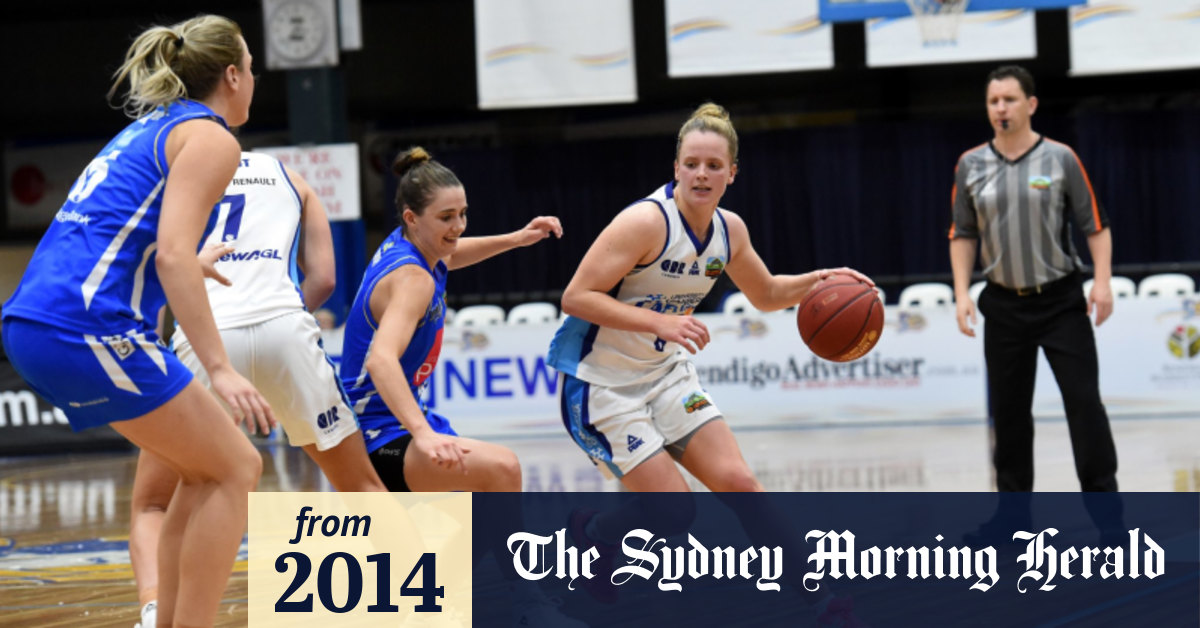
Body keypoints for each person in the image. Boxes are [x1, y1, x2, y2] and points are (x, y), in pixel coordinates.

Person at [546, 103, 871, 626]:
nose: (702, 173)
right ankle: (592, 532)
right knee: (676, 513)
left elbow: (765, 294)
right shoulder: (644, 222)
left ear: (732, 174)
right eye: (692, 163)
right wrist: (659, 323)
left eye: (714, 165)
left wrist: (822, 280)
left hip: (665, 374)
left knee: (740, 483)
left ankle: (824, 601)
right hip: (601, 383)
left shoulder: (729, 231)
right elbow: (576, 297)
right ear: (676, 167)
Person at [0, 15, 273, 628]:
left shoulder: (151, 128)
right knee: (238, 467)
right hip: (80, 326)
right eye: (252, 67)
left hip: (38, 323)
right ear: (232, 75)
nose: (254, 79)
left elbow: (133, 235)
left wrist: (179, 260)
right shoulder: (212, 138)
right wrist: (222, 370)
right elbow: (172, 252)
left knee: (203, 475)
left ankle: (164, 619)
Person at [127, 152, 392, 627]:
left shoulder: (175, 177)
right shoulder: (293, 178)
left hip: (207, 337)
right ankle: (431, 604)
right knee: (362, 485)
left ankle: (154, 610)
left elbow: (160, 269)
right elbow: (326, 279)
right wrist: (279, 325)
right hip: (284, 330)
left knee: (155, 501)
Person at [339, 147, 581, 626]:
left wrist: (516, 239)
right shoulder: (411, 278)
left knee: (490, 510)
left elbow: (452, 253)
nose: (459, 226)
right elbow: (381, 361)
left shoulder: (414, 249)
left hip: (390, 425)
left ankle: (425, 596)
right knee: (502, 472)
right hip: (374, 437)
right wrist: (424, 435)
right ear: (412, 217)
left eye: (463, 213)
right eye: (446, 217)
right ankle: (527, 605)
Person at [949, 64, 1119, 496]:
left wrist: (1101, 283)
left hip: (1061, 301)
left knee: (1084, 407)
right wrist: (961, 294)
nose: (1000, 108)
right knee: (1008, 417)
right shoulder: (970, 165)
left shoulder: (1060, 158)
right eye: (993, 101)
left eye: (1009, 99)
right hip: (1003, 305)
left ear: (1031, 104)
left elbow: (1095, 225)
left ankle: (1108, 518)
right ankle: (1011, 522)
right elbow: (962, 234)